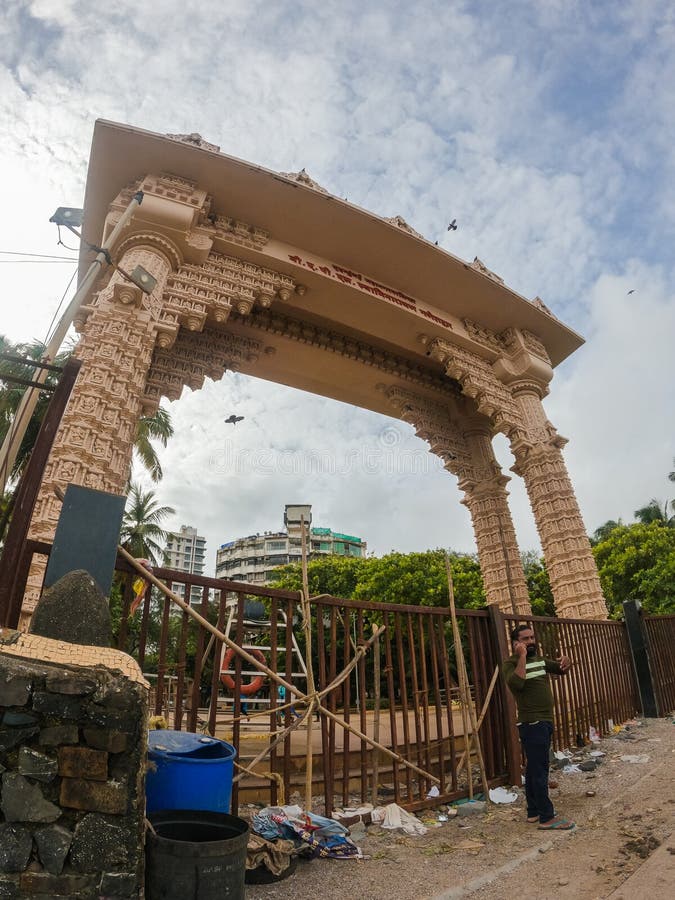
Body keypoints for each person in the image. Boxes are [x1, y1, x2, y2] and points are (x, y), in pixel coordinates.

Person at [502, 623, 575, 831]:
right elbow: (516, 684)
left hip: (544, 721)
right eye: (525, 639)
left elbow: (562, 670)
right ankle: (547, 817)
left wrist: (567, 662)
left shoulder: (541, 661)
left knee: (534, 770)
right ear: (516, 643)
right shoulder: (511, 663)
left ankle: (533, 812)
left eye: (532, 638)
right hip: (532, 722)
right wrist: (522, 656)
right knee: (540, 770)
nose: (531, 642)